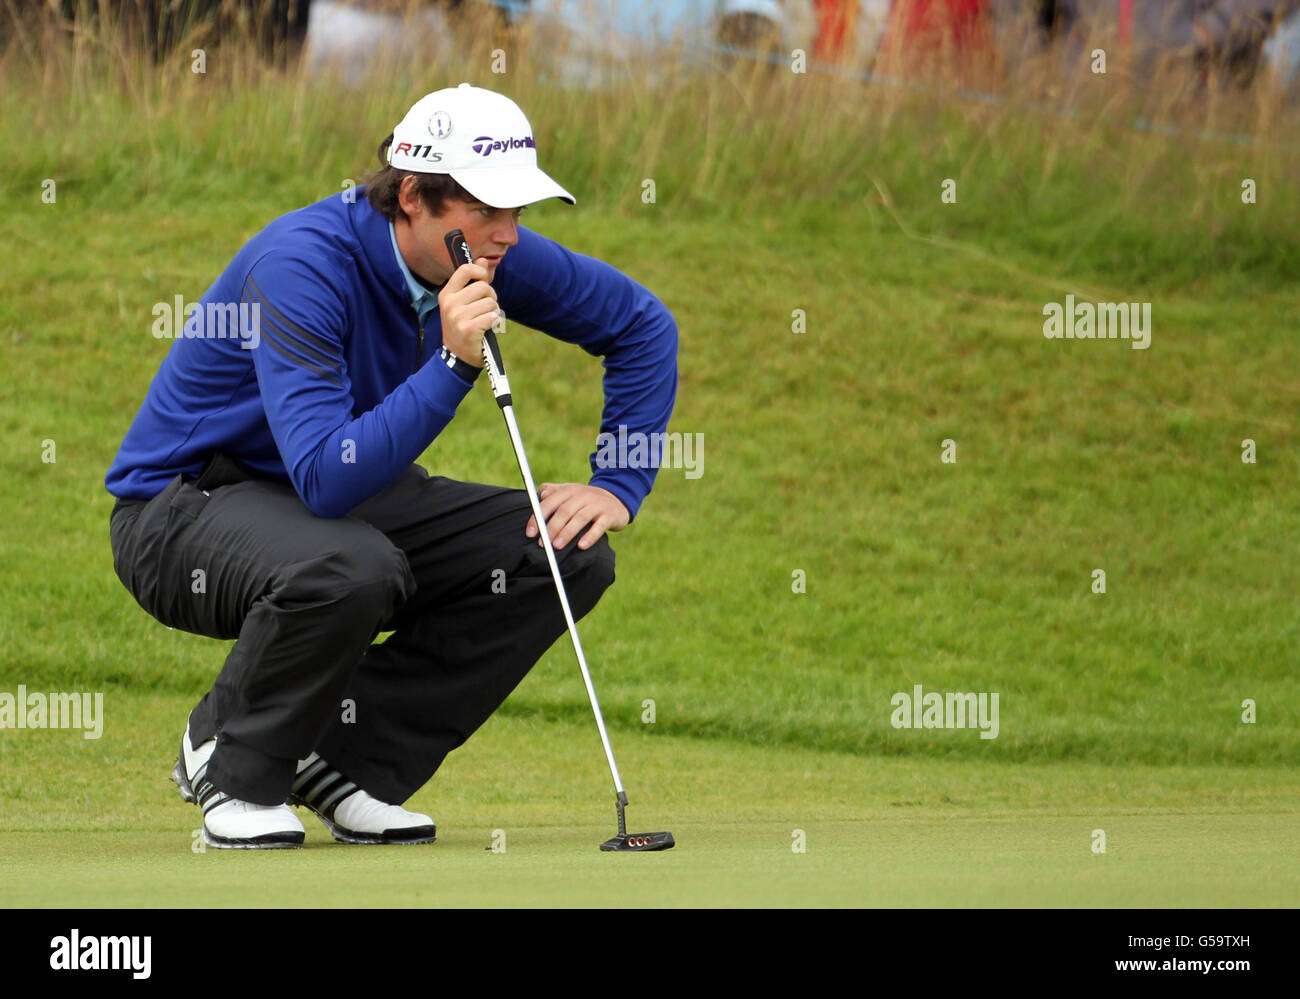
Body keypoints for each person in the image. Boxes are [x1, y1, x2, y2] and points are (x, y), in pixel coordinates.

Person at [105, 82, 679, 849]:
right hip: (181, 512)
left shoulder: (484, 251)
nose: (507, 234)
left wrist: (617, 482)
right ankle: (230, 754)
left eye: (517, 212)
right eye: (486, 210)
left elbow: (642, 325)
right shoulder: (302, 264)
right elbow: (324, 473)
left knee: (563, 552)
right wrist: (451, 362)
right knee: (353, 564)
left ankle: (345, 758)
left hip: (324, 505)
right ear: (412, 195)